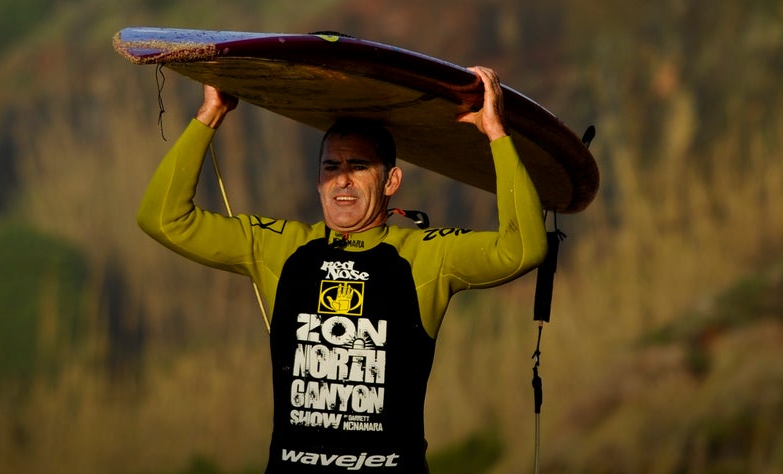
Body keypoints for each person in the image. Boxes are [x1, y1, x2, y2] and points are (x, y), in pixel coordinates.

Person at [137, 66, 547, 472]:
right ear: (318, 180)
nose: (343, 181)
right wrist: (210, 114)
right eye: (331, 168)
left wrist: (497, 135)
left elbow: (523, 249)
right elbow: (163, 219)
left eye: (359, 167)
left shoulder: (426, 254)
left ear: (391, 181)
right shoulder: (278, 246)